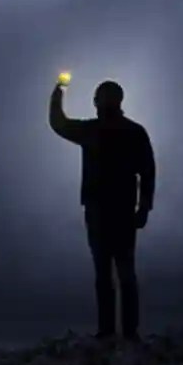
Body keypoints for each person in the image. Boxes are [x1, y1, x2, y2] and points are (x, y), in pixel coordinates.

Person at [49, 79, 155, 341]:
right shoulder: (124, 131)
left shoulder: (109, 131)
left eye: (103, 97)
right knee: (115, 273)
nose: (101, 102)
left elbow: (147, 172)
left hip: (112, 212)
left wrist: (58, 92)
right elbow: (148, 173)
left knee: (113, 273)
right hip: (107, 211)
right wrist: (144, 207)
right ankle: (119, 332)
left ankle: (116, 332)